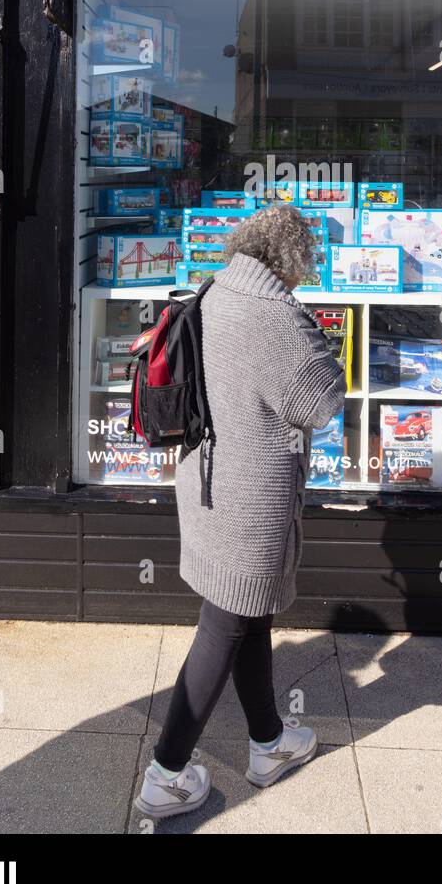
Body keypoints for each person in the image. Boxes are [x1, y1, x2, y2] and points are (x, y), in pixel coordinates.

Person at [135, 203, 346, 819]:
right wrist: (316, 335)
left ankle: (268, 744)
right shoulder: (276, 315)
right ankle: (164, 776)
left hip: (205, 484)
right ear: (295, 260)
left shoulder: (218, 288)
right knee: (224, 624)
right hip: (248, 500)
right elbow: (322, 400)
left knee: (247, 615)